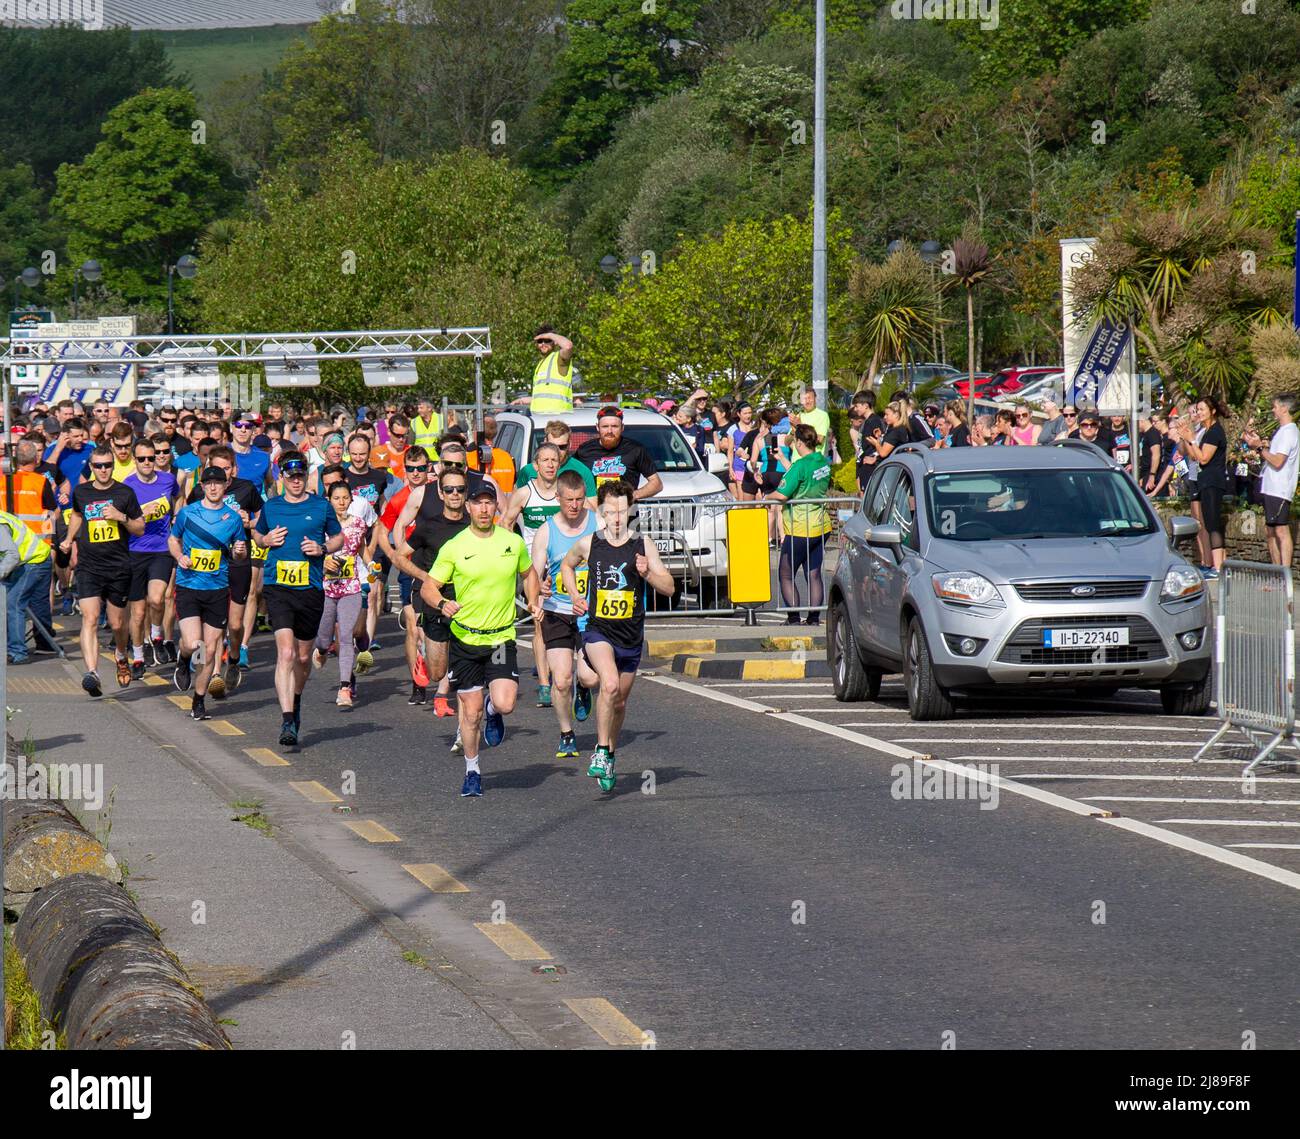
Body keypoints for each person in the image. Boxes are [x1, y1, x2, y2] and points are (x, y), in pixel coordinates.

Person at [423, 483, 541, 797]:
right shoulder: (455, 545)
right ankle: (472, 770)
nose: (485, 509)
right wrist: (441, 603)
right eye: (479, 504)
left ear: (495, 508)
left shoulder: (512, 542)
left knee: (505, 703)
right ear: (469, 508)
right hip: (466, 640)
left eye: (490, 503)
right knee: (469, 713)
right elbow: (429, 586)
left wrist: (533, 600)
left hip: (500, 639)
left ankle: (493, 709)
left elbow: (528, 573)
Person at [562, 480, 674, 792]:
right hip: (599, 631)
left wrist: (647, 574)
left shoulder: (643, 545)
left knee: (619, 701)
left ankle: (610, 754)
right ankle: (600, 752)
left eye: (622, 511)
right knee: (607, 684)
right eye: (610, 511)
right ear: (600, 511)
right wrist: (574, 595)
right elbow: (566, 566)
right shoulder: (589, 544)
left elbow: (669, 587)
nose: (616, 517)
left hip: (630, 637)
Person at [252, 450, 345, 746]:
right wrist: (265, 541)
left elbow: (338, 537)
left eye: (300, 476)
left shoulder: (321, 506)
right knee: (287, 653)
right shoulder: (272, 507)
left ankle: (296, 699)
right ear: (281, 478)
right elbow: (257, 533)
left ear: (306, 476)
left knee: (304, 657)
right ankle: (287, 720)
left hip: (311, 589)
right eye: (290, 477)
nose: (296, 481)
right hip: (278, 587)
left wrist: (323, 549)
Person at [60, 445, 145, 697]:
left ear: (113, 466)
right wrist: (69, 539)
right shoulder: (82, 491)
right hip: (88, 566)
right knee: (90, 618)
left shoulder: (125, 492)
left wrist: (121, 517)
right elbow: (76, 515)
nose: (103, 470)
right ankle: (92, 672)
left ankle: (121, 654)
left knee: (119, 624)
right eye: (98, 466)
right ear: (92, 468)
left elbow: (139, 528)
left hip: (118, 566)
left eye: (107, 465)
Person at [389, 467, 470, 721]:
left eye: (460, 489)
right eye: (449, 489)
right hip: (434, 600)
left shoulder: (475, 525)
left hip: (468, 604)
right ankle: (426, 659)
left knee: (466, 663)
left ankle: (460, 710)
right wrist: (427, 578)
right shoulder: (428, 527)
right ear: (440, 493)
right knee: (437, 671)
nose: (455, 494)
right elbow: (400, 557)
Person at [169, 467, 248, 720]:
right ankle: (183, 658)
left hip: (217, 590)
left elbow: (240, 553)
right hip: (189, 586)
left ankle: (199, 700)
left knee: (210, 650)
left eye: (218, 483)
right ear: (202, 486)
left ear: (226, 486)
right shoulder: (188, 513)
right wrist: (180, 556)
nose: (213, 488)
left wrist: (239, 551)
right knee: (194, 644)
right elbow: (173, 539)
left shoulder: (233, 518)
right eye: (209, 483)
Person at [532, 470, 600, 759]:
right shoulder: (546, 531)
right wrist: (540, 589)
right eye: (569, 500)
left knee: (590, 678)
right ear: (557, 498)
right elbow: (533, 574)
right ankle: (566, 733)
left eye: (579, 499)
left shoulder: (598, 523)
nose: (574, 505)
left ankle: (583, 690)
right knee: (561, 680)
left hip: (590, 613)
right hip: (557, 612)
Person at [191, 445, 264, 688]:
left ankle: (233, 656)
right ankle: (210, 673)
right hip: (209, 565)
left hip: (237, 561)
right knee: (209, 621)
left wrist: (250, 521)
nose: (221, 475)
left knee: (233, 624)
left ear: (234, 468)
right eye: (216, 469)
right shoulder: (199, 492)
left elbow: (264, 519)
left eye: (226, 468)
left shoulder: (246, 488)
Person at [501, 442, 562, 706]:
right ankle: (545, 684)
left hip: (562, 564)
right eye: (545, 460)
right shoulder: (525, 493)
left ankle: (570, 676)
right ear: (535, 466)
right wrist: (509, 555)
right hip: (533, 567)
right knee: (539, 621)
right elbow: (506, 522)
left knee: (567, 621)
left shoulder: (565, 492)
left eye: (554, 460)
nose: (550, 465)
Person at [373, 446, 434, 705]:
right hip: (410, 570)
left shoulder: (438, 493)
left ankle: (445, 676)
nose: (416, 473)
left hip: (437, 568)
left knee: (438, 629)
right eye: (411, 469)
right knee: (414, 628)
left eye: (421, 468)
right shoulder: (399, 499)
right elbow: (381, 528)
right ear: (404, 470)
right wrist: (394, 555)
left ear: (428, 467)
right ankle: (417, 683)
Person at [313, 480, 377, 709]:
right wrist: (323, 564)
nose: (341, 502)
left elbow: (361, 549)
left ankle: (344, 688)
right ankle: (320, 650)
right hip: (326, 588)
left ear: (351, 499)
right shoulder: (321, 525)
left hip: (350, 586)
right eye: (336, 498)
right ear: (328, 500)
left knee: (347, 634)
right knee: (323, 637)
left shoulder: (359, 523)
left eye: (344, 498)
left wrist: (371, 566)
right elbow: (310, 553)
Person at [764, 424, 832, 626]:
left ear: (800, 443)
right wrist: (784, 461)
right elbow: (802, 478)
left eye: (794, 443)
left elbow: (783, 494)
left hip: (800, 527)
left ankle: (793, 617)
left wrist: (767, 496)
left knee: (786, 573)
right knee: (813, 573)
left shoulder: (800, 465)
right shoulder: (822, 461)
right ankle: (813, 619)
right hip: (821, 525)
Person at [123, 436, 179, 676]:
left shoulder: (168, 480)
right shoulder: (127, 485)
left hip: (161, 549)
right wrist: (141, 515)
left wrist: (175, 519)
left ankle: (156, 635)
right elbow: (121, 522)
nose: (147, 462)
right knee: (137, 612)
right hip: (135, 551)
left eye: (151, 457)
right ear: (134, 460)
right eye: (142, 459)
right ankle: (137, 657)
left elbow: (178, 498)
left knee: (157, 599)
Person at [1244, 393, 1299, 567]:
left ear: (1284, 408)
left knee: (1281, 530)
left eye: (1275, 407)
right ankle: (1277, 573)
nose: (1273, 410)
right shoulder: (1282, 431)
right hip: (1270, 487)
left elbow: (1277, 461)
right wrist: (1260, 445)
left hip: (1280, 488)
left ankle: (1284, 574)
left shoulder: (1289, 432)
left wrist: (1259, 447)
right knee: (1270, 531)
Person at [1176, 397, 1229, 577]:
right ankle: (1217, 565)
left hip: (1213, 481)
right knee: (1207, 522)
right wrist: (1186, 438)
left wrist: (1192, 440)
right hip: (1204, 480)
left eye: (1202, 409)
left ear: (1212, 411)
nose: (1199, 413)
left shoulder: (1215, 432)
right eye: (1197, 410)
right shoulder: (1206, 432)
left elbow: (1205, 457)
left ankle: (1218, 567)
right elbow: (1194, 456)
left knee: (1213, 524)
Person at [1, 505, 56, 666]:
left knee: (14, 603)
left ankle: (18, 653)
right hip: (25, 562)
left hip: (34, 562)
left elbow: (11, 555)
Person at [574, 406, 664, 501]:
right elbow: (570, 478)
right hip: (593, 510)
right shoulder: (584, 449)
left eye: (614, 426)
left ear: (622, 427)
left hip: (625, 511)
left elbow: (656, 484)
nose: (609, 431)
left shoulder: (635, 449)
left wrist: (632, 495)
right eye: (605, 426)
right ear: (597, 427)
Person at [517, 420, 597, 496]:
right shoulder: (527, 471)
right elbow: (515, 502)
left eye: (562, 447)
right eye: (552, 446)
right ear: (545, 442)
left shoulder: (582, 471)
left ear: (569, 445)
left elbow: (591, 506)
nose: (557, 451)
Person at [529, 326, 576, 413]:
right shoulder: (541, 363)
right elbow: (544, 394)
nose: (543, 343)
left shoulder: (558, 358)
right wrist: (524, 400)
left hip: (558, 415)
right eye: (540, 341)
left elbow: (568, 346)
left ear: (555, 342)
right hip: (539, 416)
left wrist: (550, 335)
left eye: (547, 340)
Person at [230, 412, 273, 493]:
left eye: (247, 426)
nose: (243, 430)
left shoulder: (263, 457)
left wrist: (273, 504)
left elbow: (270, 484)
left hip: (255, 504)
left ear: (253, 429)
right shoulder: (219, 453)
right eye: (239, 425)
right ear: (232, 427)